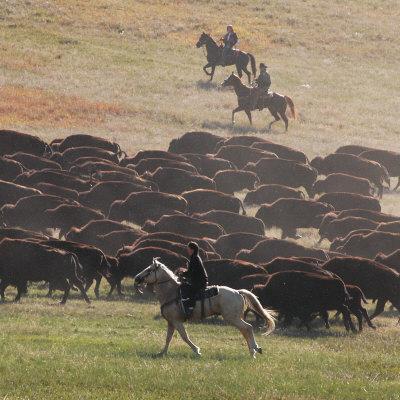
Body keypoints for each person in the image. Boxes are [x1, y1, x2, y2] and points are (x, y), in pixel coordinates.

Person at [180, 242, 208, 318]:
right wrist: (184, 272)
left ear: (192, 249)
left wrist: (182, 273)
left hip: (200, 282)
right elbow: (191, 272)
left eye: (188, 249)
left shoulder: (194, 258)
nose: (187, 250)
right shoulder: (195, 257)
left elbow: (190, 273)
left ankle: (190, 309)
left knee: (191, 290)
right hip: (199, 280)